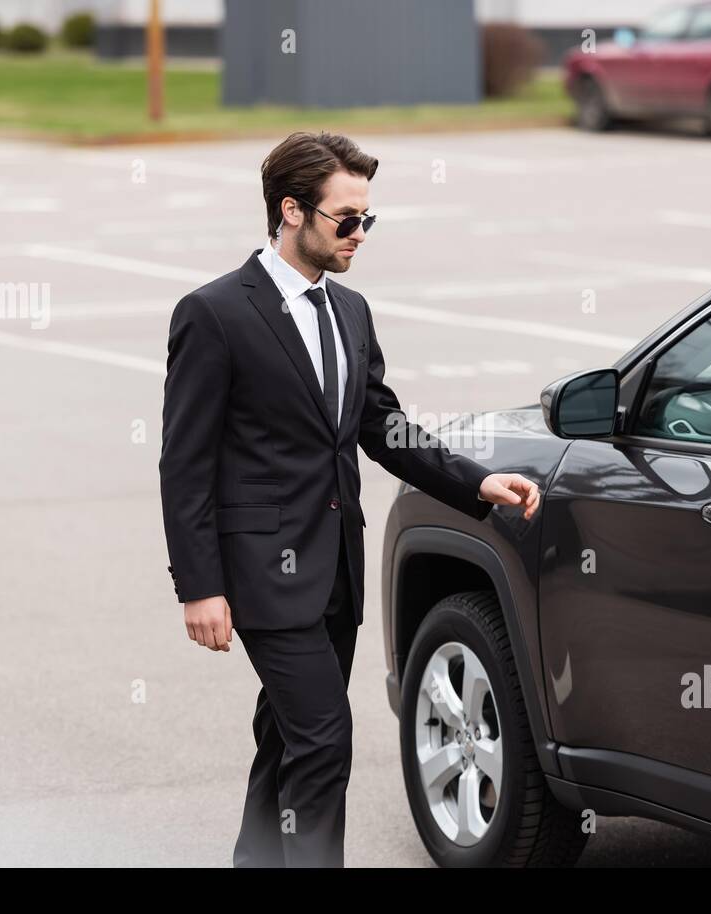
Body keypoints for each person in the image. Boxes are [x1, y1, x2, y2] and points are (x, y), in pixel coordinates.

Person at [158, 131, 541, 867]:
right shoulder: (215, 315)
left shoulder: (352, 311)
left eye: (368, 218)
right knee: (324, 740)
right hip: (263, 574)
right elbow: (185, 461)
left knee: (287, 737)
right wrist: (199, 586)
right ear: (292, 211)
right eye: (346, 218)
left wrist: (474, 480)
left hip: (337, 573)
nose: (360, 234)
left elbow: (379, 425)